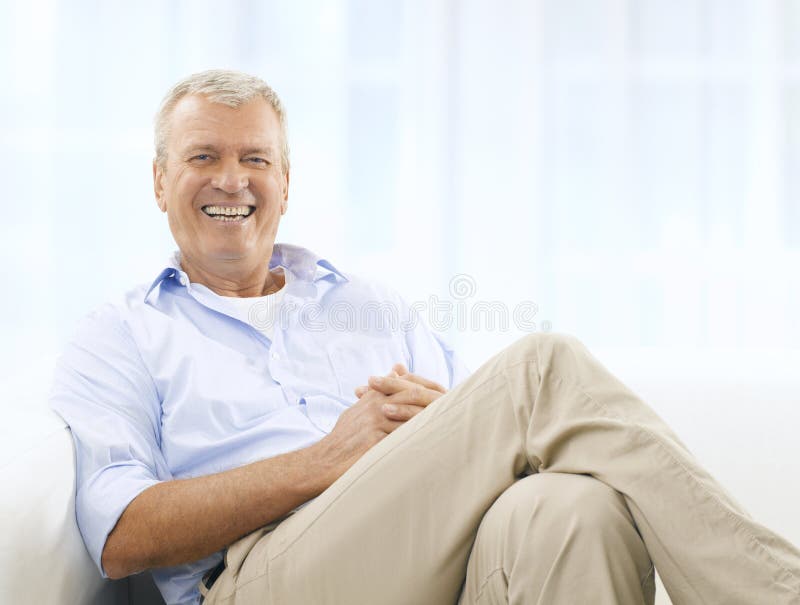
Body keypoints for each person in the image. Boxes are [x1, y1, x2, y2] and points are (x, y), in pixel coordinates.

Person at [50, 69, 800, 605]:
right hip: (257, 581)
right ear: (158, 182)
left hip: (426, 566)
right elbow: (120, 536)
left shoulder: (368, 303)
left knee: (572, 513)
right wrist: (330, 458)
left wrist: (442, 427)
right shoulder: (121, 331)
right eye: (203, 157)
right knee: (542, 368)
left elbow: (494, 440)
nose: (232, 180)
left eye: (255, 159)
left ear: (286, 180)